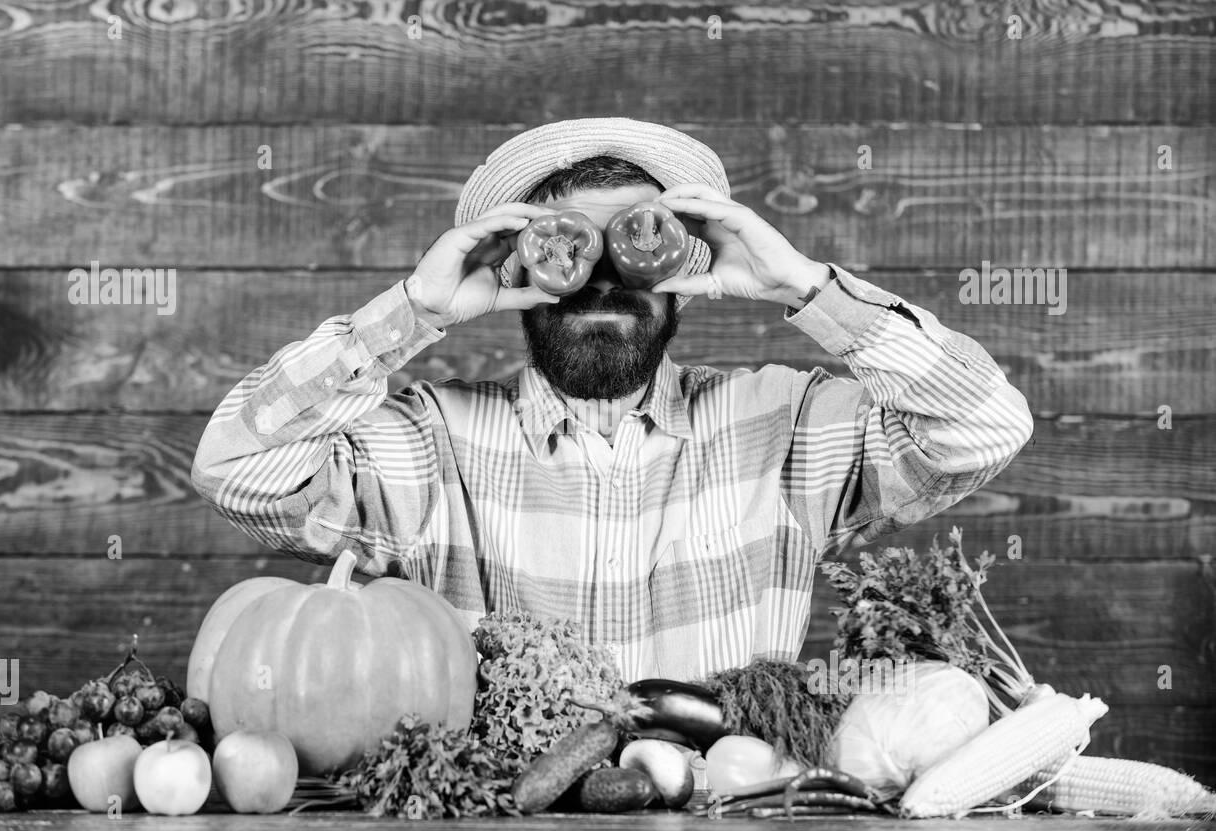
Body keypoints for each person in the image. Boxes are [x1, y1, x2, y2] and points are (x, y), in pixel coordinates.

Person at [192, 118, 1033, 681]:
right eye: (565, 245)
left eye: (636, 242)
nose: (598, 276)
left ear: (683, 276)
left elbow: (984, 423)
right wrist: (408, 315)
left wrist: (806, 288)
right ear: (518, 269)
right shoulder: (432, 441)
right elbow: (237, 466)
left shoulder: (782, 426)